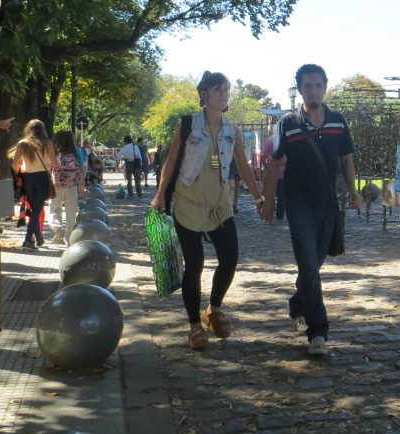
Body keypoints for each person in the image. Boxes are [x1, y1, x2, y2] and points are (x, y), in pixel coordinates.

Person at [150, 71, 264, 351]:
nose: (223, 94)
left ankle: (213, 309)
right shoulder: (188, 124)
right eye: (217, 90)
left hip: (220, 205)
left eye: (226, 89)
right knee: (195, 264)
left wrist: (259, 198)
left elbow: (243, 166)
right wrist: (161, 192)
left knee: (230, 258)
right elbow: (171, 161)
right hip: (188, 202)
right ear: (204, 95)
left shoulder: (231, 130)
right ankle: (194, 327)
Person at [260, 64, 361, 357]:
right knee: (307, 263)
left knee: (312, 265)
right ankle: (318, 332)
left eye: (318, 85)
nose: (313, 90)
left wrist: (353, 192)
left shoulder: (338, 122)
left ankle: (297, 303)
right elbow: (274, 164)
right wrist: (268, 201)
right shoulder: (288, 123)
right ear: (300, 89)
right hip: (298, 203)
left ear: (325, 87)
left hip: (328, 203)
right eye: (308, 85)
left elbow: (346, 160)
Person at [9, 120, 57, 250]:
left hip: (27, 178)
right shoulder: (47, 142)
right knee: (36, 210)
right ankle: (27, 240)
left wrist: (20, 173)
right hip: (42, 178)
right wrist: (49, 168)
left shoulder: (22, 143)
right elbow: (54, 162)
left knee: (33, 209)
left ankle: (39, 238)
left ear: (28, 129)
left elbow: (14, 164)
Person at [50, 129, 85, 244]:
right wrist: (81, 183)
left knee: (55, 209)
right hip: (72, 186)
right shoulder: (77, 151)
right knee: (71, 211)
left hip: (56, 185)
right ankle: (68, 237)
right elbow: (82, 168)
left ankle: (57, 227)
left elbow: (49, 167)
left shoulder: (53, 151)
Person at [259, 131, 286, 220]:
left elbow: (262, 156)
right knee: (281, 195)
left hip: (272, 172)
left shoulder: (270, 141)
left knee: (270, 192)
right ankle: (279, 215)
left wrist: (267, 166)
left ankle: (269, 211)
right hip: (285, 173)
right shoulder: (287, 139)